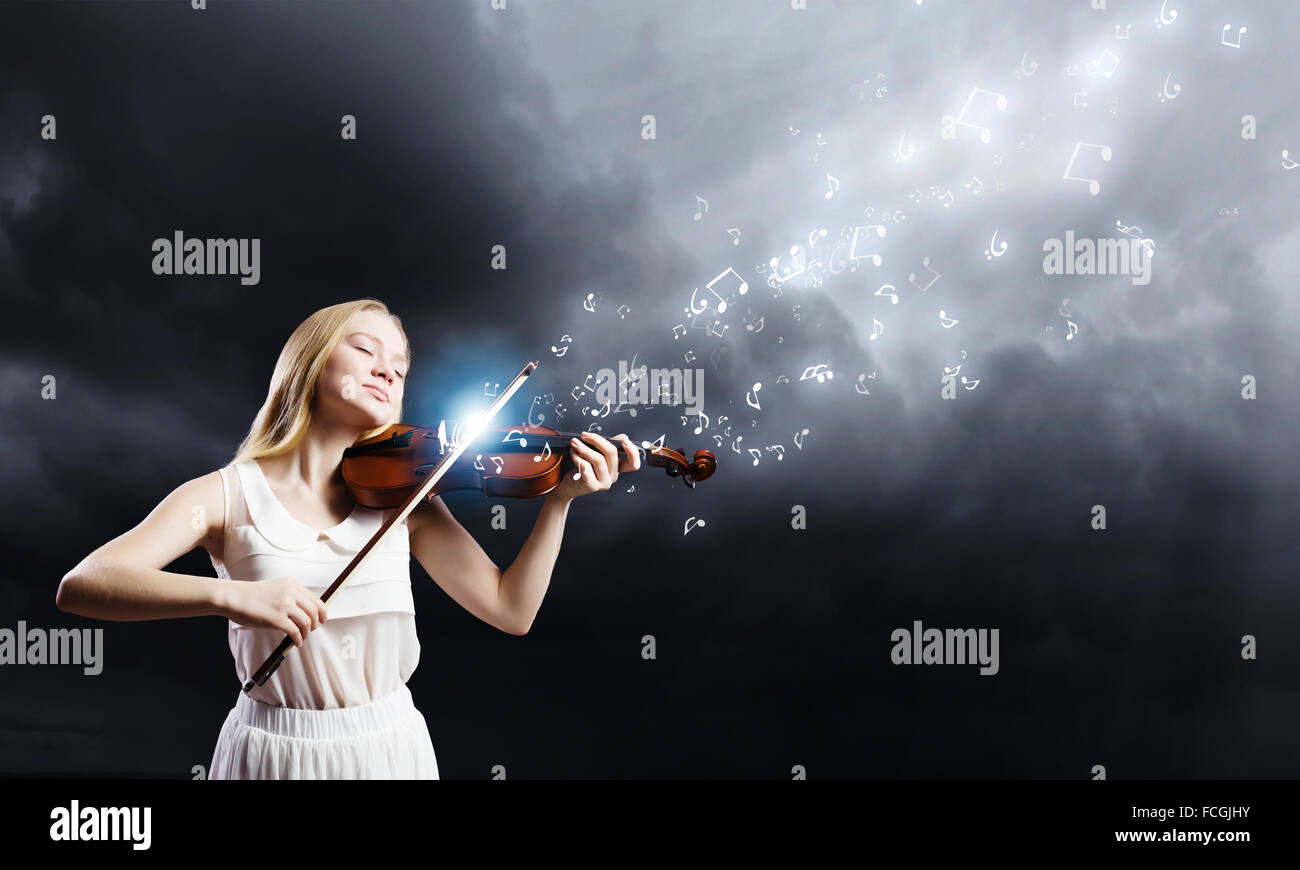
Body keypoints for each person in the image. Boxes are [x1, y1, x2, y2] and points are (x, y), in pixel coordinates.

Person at [55, 298, 640, 779]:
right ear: (309, 362)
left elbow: (512, 610)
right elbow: (83, 586)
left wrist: (558, 502)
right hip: (270, 752)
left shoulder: (408, 500)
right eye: (365, 349)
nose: (388, 370)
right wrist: (231, 598)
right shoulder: (223, 496)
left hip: (388, 749)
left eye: (401, 367)